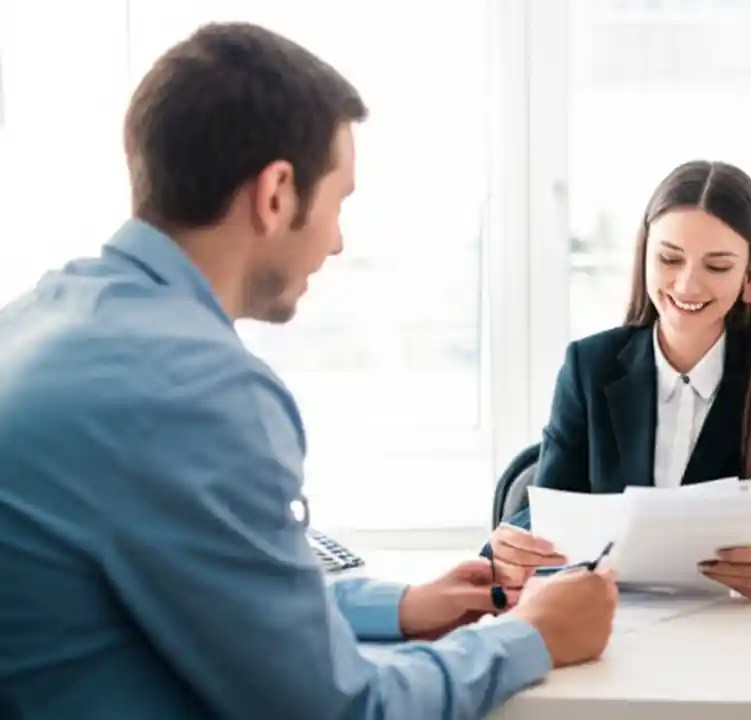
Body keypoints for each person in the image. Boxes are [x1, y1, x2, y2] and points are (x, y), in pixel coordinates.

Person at [0, 22, 617, 720]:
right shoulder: (197, 390)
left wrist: (403, 606)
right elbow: (336, 709)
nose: (337, 240)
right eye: (339, 201)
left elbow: (218, 589)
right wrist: (527, 636)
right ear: (276, 193)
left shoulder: (40, 318)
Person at [488, 160, 751, 602]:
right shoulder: (589, 365)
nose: (688, 285)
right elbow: (551, 512)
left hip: (747, 632)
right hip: (613, 623)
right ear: (644, 258)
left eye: (718, 266)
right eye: (670, 259)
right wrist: (508, 549)